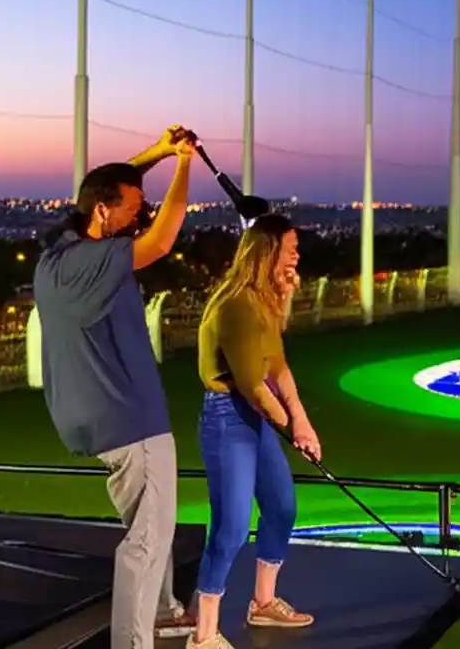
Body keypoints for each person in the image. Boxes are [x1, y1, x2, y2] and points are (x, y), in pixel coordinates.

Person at [33, 125, 200, 645]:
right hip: (131, 418)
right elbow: (162, 241)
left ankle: (166, 609)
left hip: (92, 420)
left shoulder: (59, 252)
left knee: (152, 525)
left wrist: (158, 151)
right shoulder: (95, 260)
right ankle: (134, 640)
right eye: (133, 208)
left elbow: (105, 183)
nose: (141, 215)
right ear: (104, 212)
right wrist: (185, 164)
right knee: (146, 541)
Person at [190, 213, 319, 649]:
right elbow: (251, 386)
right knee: (231, 527)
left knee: (282, 507)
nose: (297, 254)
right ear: (267, 252)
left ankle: (262, 603)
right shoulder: (235, 304)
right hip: (228, 415)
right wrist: (289, 427)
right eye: (291, 247)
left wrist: (301, 420)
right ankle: (204, 634)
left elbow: (277, 366)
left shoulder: (264, 299)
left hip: (257, 417)